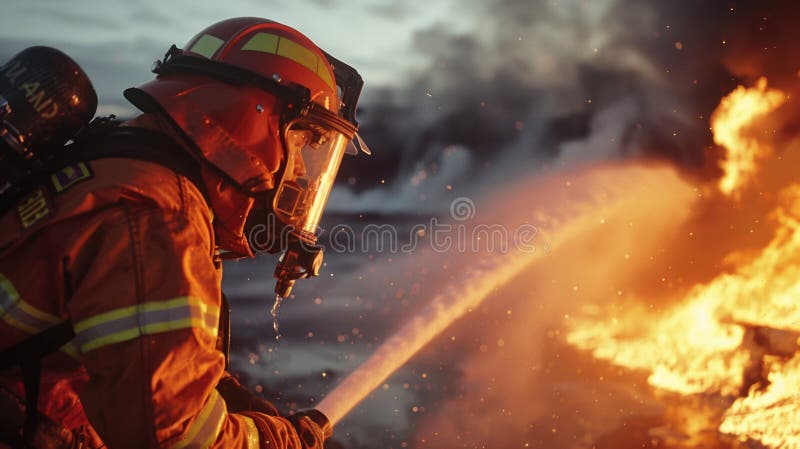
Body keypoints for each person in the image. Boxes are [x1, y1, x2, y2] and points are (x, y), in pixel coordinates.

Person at [0, 17, 368, 449]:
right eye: (305, 141)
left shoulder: (123, 166)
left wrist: (219, 391)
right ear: (254, 119)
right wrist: (276, 441)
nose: (304, 168)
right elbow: (172, 437)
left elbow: (126, 358)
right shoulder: (159, 215)